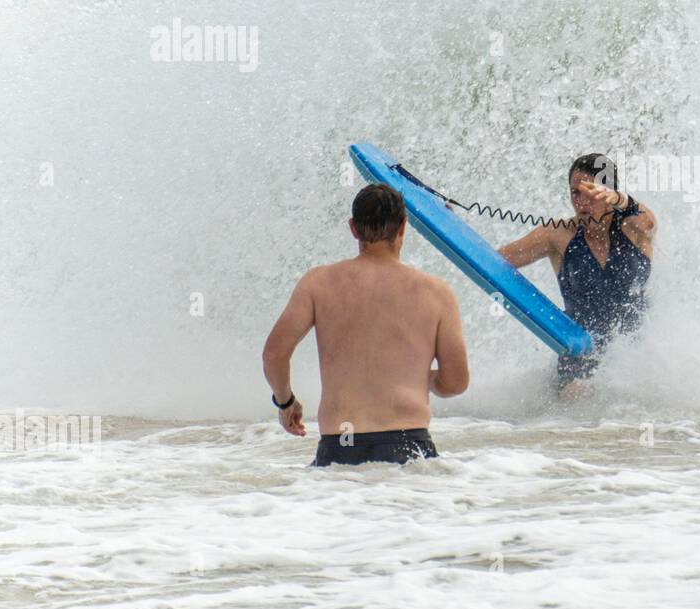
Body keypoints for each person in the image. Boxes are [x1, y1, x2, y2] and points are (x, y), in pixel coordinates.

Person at [262, 183, 469, 465]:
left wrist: (286, 402)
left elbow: (274, 354)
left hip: (340, 447)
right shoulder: (436, 292)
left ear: (353, 228)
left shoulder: (318, 283)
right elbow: (456, 382)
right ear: (403, 228)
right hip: (410, 448)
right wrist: (422, 378)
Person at [499, 154, 656, 397]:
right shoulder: (557, 235)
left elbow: (650, 224)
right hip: (580, 359)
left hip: (636, 361)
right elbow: (496, 261)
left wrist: (621, 200)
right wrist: (447, 221)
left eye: (589, 192)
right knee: (578, 395)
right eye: (575, 193)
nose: (581, 202)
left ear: (609, 194)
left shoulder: (632, 228)